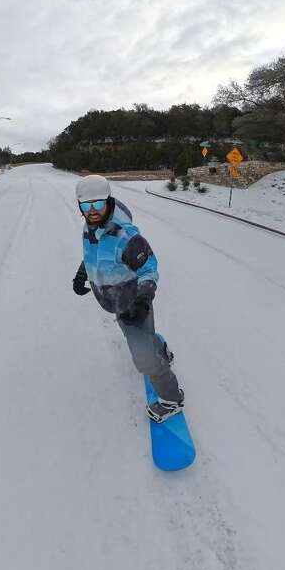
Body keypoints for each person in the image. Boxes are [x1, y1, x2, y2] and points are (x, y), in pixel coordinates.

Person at [71, 174, 185, 422]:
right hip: (115, 302)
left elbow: (149, 269)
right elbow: (93, 254)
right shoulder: (90, 229)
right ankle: (160, 350)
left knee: (143, 360)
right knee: (142, 338)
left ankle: (172, 400)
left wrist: (143, 300)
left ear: (108, 201)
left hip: (134, 302)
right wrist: (82, 275)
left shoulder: (126, 236)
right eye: (86, 205)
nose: (92, 211)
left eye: (98, 204)